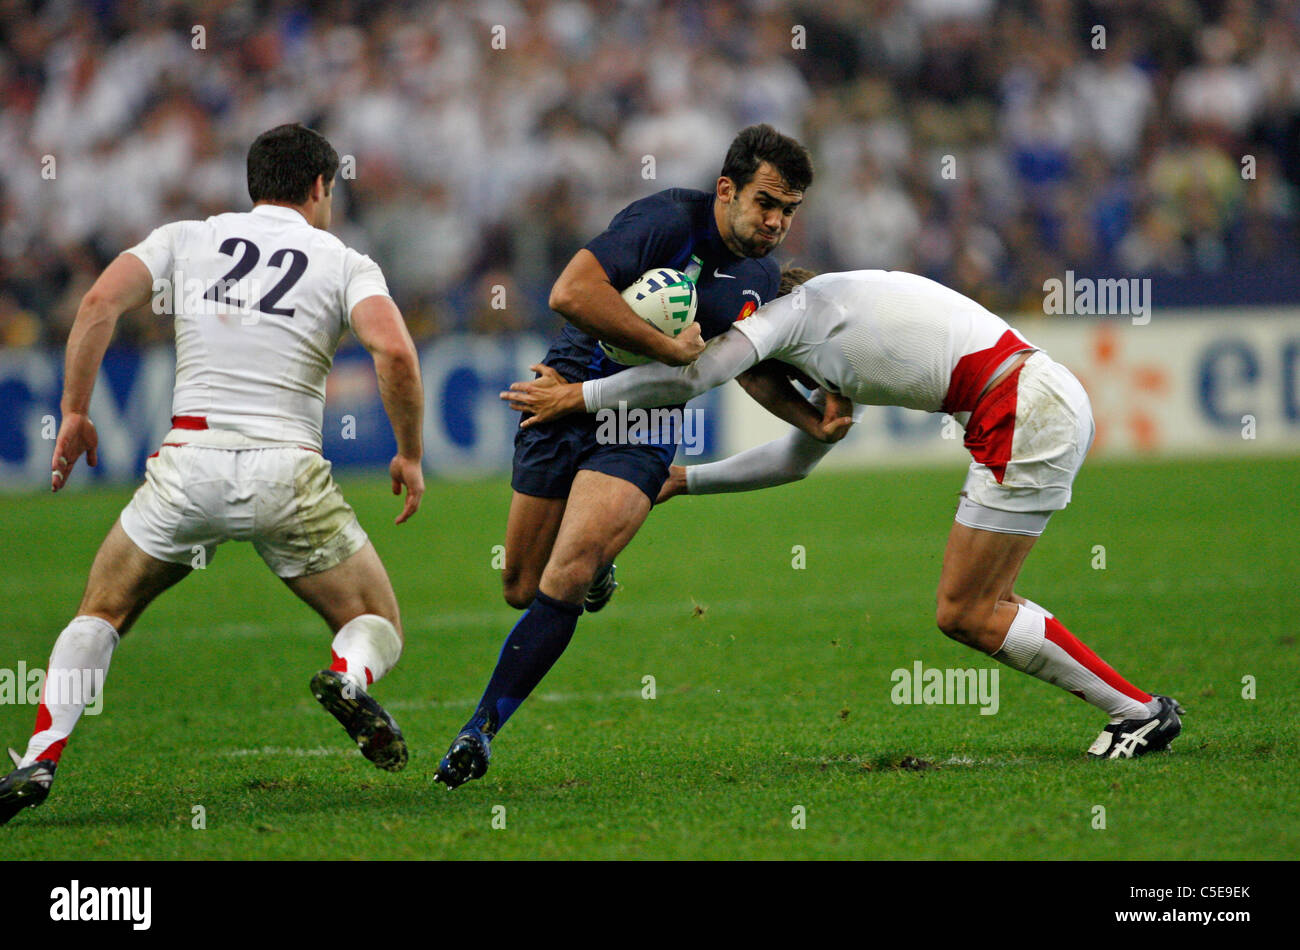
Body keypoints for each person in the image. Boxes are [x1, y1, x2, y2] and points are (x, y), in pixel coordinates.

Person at [502, 267, 1185, 760]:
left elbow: (692, 377)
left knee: (969, 611)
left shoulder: (787, 315)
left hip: (1021, 410)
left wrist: (580, 397)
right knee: (979, 605)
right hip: (1033, 398)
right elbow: (800, 458)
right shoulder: (830, 308)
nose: (712, 339)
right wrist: (685, 480)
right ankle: (1136, 711)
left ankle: (1139, 712)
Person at [0, 124, 426, 825]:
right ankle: (348, 681)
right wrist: (409, 453)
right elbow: (397, 355)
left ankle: (40, 758)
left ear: (253, 186)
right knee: (374, 618)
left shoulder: (185, 238)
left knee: (102, 611)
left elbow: (97, 303)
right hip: (286, 472)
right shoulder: (345, 261)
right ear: (321, 187)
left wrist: (74, 411)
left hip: (187, 466)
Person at [434, 125, 820, 789]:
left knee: (569, 568)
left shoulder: (758, 277)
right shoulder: (664, 219)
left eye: (789, 210)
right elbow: (570, 293)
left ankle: (480, 730)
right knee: (520, 586)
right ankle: (597, 567)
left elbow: (748, 368)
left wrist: (816, 419)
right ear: (727, 189)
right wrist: (663, 345)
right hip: (564, 389)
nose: (776, 221)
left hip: (646, 414)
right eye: (766, 203)